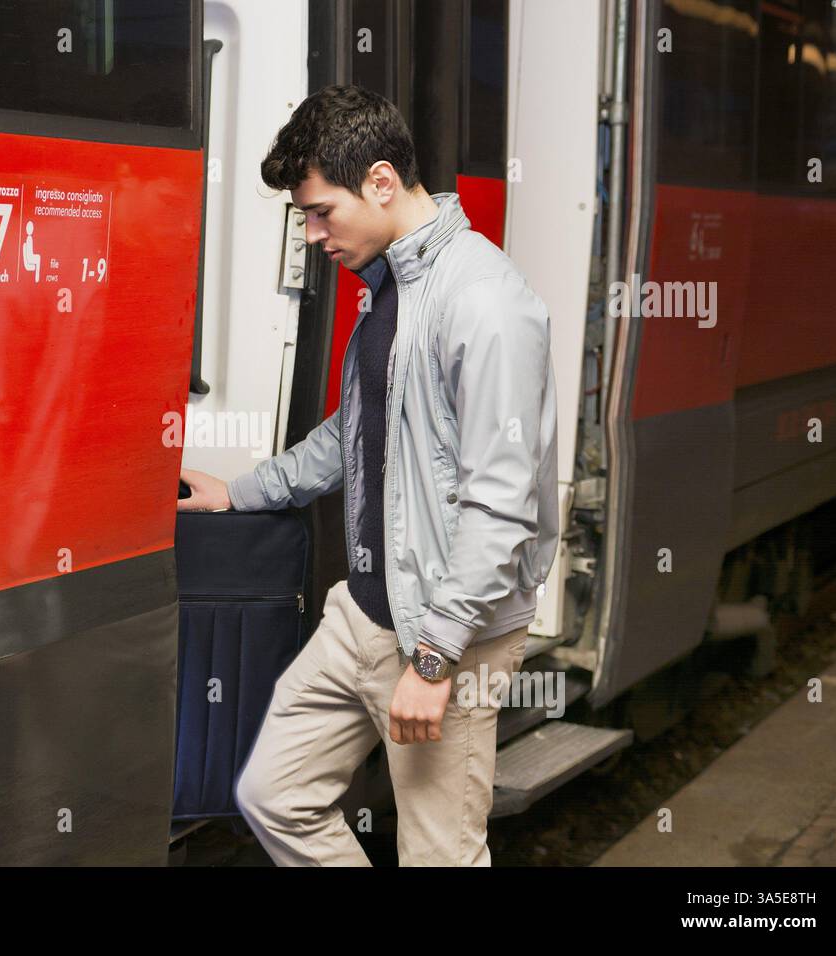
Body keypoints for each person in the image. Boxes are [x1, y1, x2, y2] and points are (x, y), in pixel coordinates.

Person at [176, 84, 559, 865]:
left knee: (438, 854)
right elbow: (358, 431)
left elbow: (501, 501)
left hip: (450, 634)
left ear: (381, 182)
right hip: (365, 612)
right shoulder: (394, 287)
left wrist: (433, 660)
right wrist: (242, 492)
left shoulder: (484, 303)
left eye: (322, 212)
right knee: (274, 795)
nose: (313, 235)